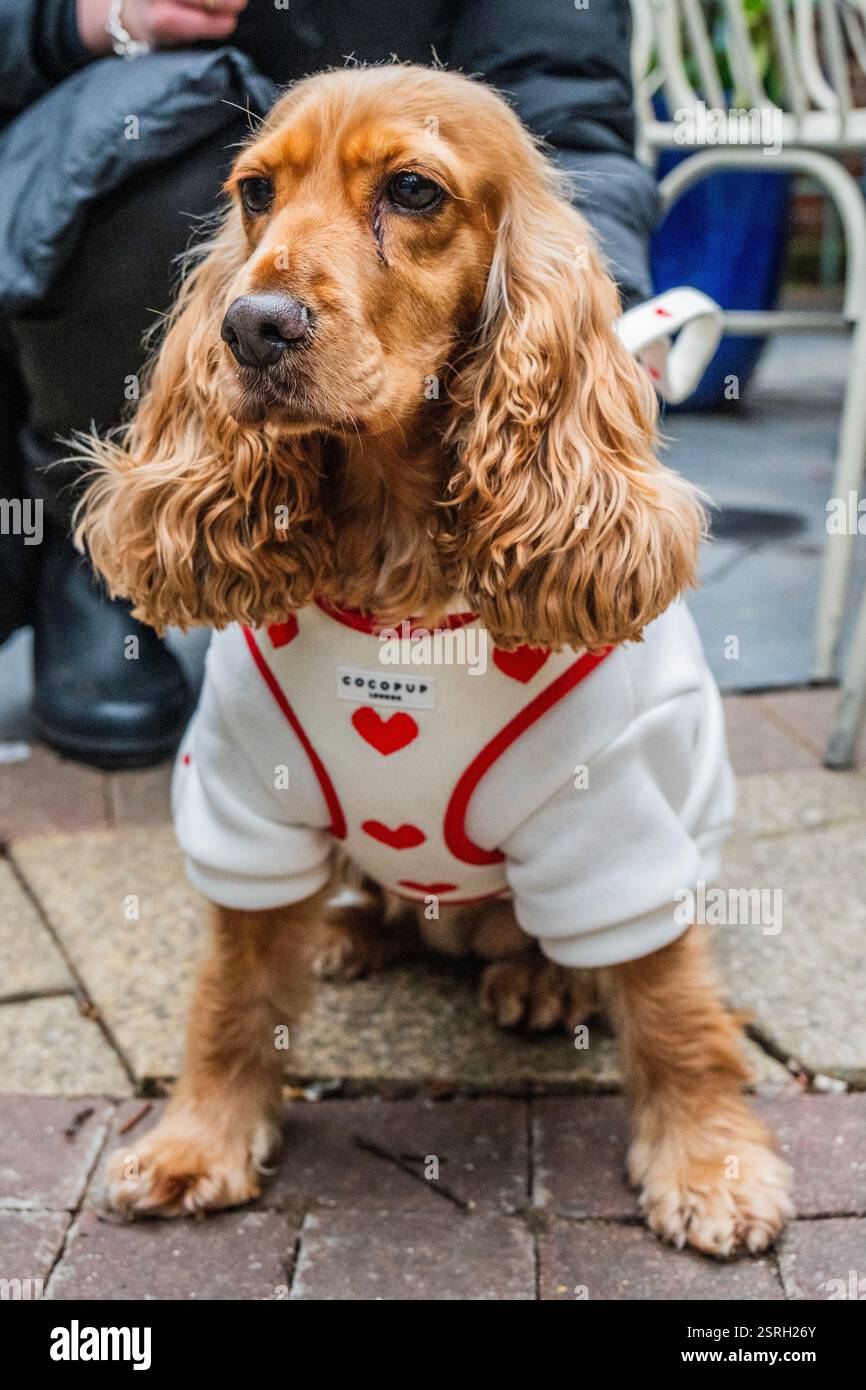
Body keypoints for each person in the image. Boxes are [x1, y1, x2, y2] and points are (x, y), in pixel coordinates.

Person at [0, 0, 661, 767]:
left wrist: (601, 311)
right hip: (95, 148)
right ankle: (88, 566)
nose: (264, 313)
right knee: (149, 124)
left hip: (488, 192)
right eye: (260, 195)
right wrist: (74, 17)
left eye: (411, 190)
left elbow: (566, 103)